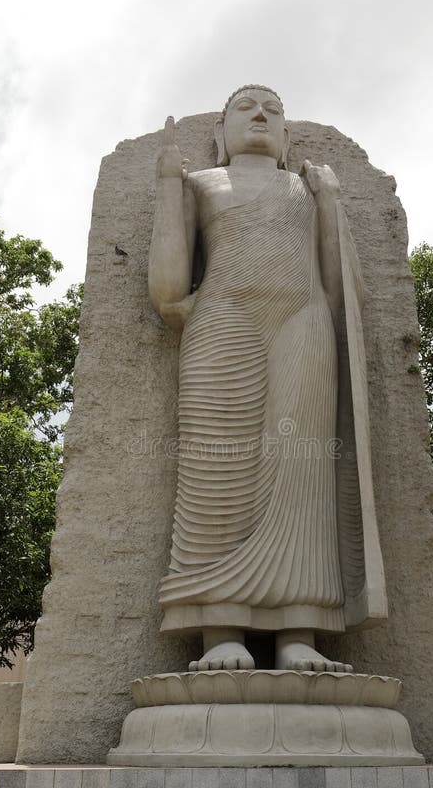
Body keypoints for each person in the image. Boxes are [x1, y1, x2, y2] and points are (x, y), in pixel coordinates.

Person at [148, 85, 383, 672]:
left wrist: (329, 202)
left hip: (302, 321)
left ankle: (299, 631)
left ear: (287, 138)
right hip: (223, 317)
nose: (259, 115)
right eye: (245, 108)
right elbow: (169, 291)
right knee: (215, 466)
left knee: (302, 475)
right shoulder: (202, 183)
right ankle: (218, 630)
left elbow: (336, 285)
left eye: (272, 110)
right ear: (220, 134)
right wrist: (167, 186)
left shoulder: (308, 187)